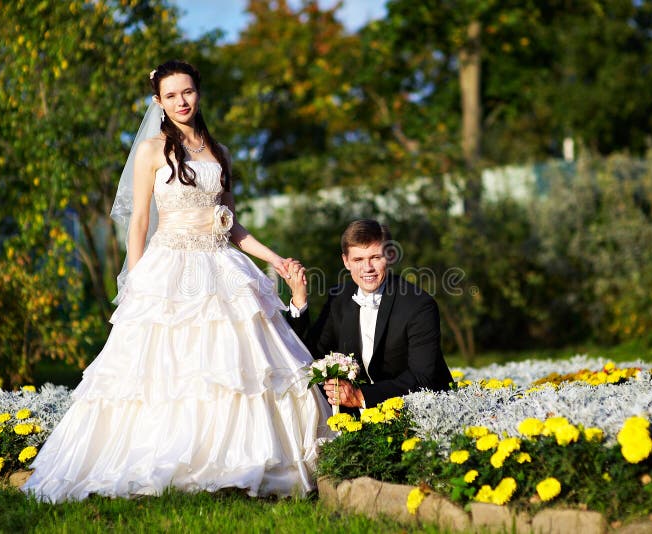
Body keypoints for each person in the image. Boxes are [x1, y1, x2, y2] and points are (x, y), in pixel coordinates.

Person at [22, 60, 332, 503]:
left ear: (198, 93)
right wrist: (137, 280)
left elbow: (232, 225)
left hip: (222, 264)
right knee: (166, 372)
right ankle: (169, 458)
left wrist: (277, 259)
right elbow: (139, 222)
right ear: (159, 102)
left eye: (187, 92)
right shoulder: (151, 151)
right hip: (169, 264)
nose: (181, 102)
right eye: (171, 96)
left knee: (238, 368)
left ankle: (237, 456)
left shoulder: (220, 153)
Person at [284, 219, 453, 411]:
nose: (367, 268)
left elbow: (422, 378)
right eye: (358, 260)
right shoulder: (338, 298)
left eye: (375, 257)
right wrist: (299, 298)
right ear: (346, 261)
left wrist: (360, 396)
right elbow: (310, 357)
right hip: (357, 418)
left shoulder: (419, 306)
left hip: (422, 415)